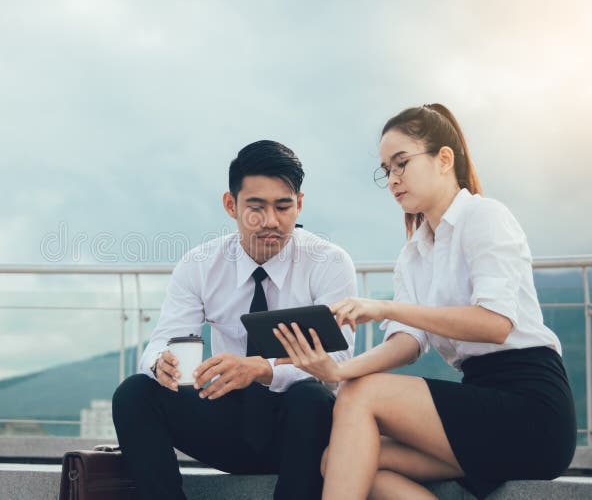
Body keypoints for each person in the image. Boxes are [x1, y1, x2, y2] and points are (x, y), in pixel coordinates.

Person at [274, 104, 576, 500]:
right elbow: (407, 343)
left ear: (443, 159)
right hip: (479, 404)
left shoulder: (484, 217)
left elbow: (495, 323)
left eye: (401, 163)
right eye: (386, 170)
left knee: (360, 396)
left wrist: (385, 308)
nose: (393, 179)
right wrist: (333, 370)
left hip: (531, 410)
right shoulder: (413, 255)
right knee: (339, 459)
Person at [112, 140, 357, 500]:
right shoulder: (199, 265)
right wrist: (162, 363)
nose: (271, 221)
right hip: (225, 420)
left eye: (283, 207)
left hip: (299, 432)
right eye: (256, 208)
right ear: (231, 205)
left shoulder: (330, 263)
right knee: (134, 392)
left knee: (311, 398)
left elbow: (337, 363)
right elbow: (162, 342)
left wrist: (261, 369)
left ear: (300, 205)